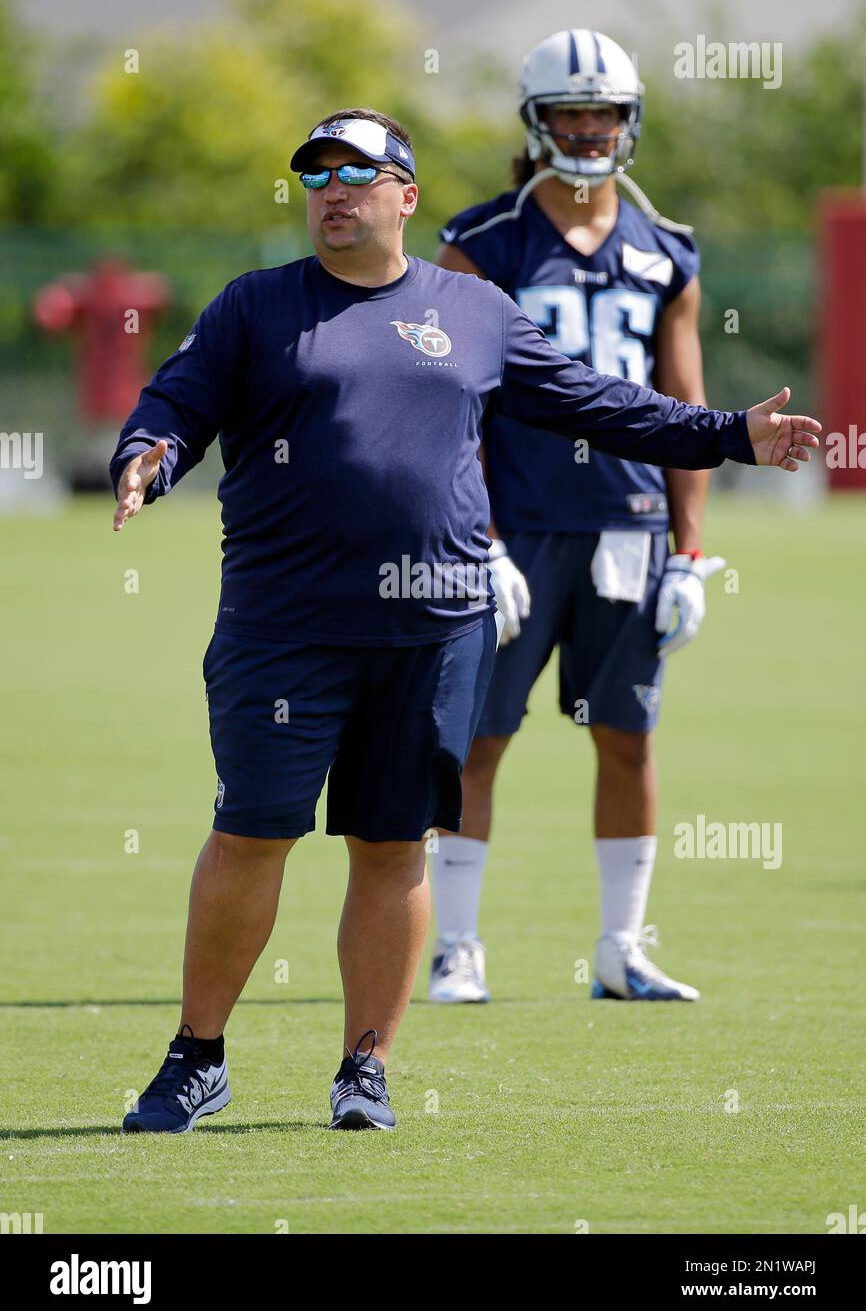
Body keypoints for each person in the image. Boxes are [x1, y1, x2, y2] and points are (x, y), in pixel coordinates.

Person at [109, 105, 818, 1134]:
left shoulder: (472, 309)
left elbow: (598, 402)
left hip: (434, 629)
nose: (333, 193)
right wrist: (150, 453)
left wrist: (730, 436)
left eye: (357, 174)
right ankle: (198, 1056)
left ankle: (365, 1069)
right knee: (252, 835)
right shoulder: (255, 308)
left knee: (393, 845)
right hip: (282, 630)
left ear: (405, 194)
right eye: (316, 177)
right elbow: (176, 401)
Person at [427, 29, 790, 1003]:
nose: (587, 130)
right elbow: (449, 408)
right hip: (513, 523)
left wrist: (692, 553)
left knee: (626, 736)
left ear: (628, 124)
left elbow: (687, 407)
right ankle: (453, 944)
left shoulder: (663, 250)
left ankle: (618, 948)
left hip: (626, 526)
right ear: (535, 122)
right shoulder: (481, 244)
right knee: (476, 735)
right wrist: (478, 539)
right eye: (568, 113)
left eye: (603, 114)